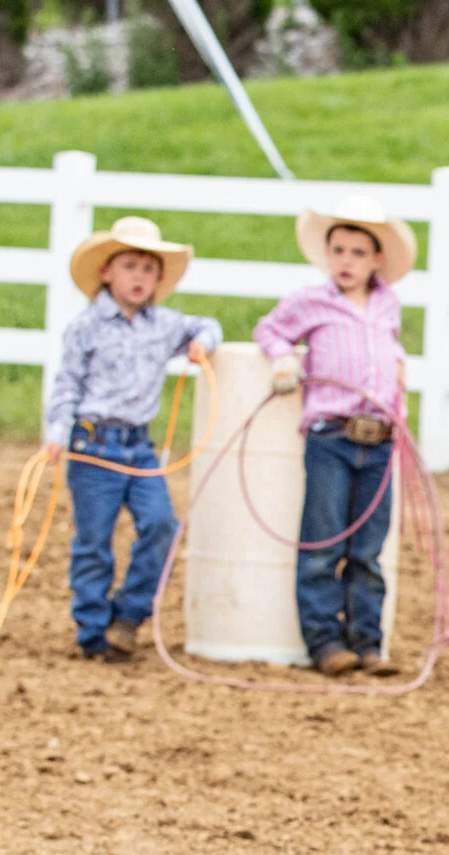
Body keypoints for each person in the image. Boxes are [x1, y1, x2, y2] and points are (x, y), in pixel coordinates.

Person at [42, 217, 221, 662]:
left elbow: (207, 325)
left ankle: (128, 615)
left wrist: (201, 342)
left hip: (138, 447)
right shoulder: (85, 327)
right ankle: (92, 629)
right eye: (129, 266)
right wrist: (56, 434)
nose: (139, 277)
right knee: (93, 540)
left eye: (147, 268)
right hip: (92, 444)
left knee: (161, 524)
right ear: (106, 272)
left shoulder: (164, 324)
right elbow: (67, 383)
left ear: (158, 278)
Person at [254, 195, 417, 677]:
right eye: (339, 251)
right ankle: (325, 641)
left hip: (381, 438)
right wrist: (283, 358)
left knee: (368, 546)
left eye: (358, 253)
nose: (347, 261)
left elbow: (387, 355)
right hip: (332, 436)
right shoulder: (311, 302)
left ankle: (367, 641)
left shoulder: (388, 305)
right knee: (324, 542)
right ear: (327, 255)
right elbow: (271, 330)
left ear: (377, 260)